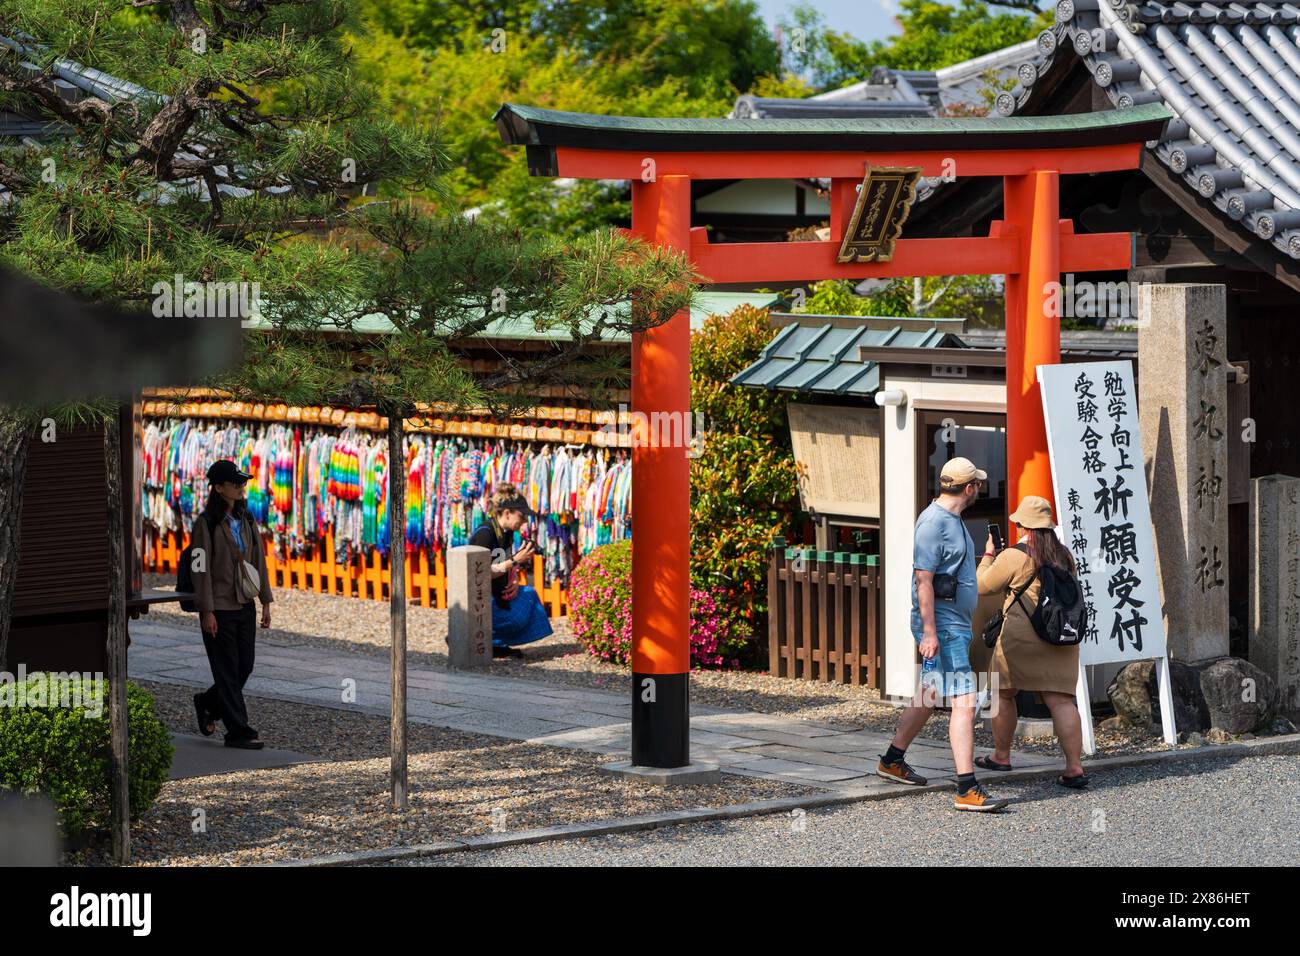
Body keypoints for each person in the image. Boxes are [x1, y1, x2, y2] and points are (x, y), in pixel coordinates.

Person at [877, 457, 1008, 812]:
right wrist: (930, 632)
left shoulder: (949, 519)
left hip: (949, 623)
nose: (979, 488)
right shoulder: (935, 523)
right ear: (969, 489)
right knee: (964, 702)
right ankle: (966, 787)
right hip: (944, 627)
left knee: (929, 693)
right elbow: (924, 580)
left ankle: (892, 759)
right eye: (978, 484)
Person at [972, 495, 1088, 788]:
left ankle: (1001, 755)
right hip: (1060, 637)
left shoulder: (1015, 555)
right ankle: (1074, 767)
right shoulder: (1064, 556)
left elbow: (983, 585)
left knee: (1003, 694)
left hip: (1021, 639)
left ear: (1023, 526)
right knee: (1061, 701)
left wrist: (988, 555)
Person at [189, 459, 274, 750]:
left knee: (244, 666)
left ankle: (208, 703)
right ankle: (239, 731)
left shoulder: (247, 518)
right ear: (218, 488)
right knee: (226, 669)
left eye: (243, 483)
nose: (241, 487)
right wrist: (206, 610)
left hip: (244, 604)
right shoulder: (206, 523)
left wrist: (265, 601)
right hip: (220, 607)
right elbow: (199, 569)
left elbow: (258, 561)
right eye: (235, 483)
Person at [468, 482, 553, 658]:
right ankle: (472, 634)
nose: (524, 522)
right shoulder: (485, 533)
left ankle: (496, 643)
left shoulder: (506, 533)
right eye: (521, 516)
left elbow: (503, 561)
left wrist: (513, 578)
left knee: (530, 595)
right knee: (518, 616)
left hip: (497, 592)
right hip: (481, 599)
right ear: (507, 513)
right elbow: (478, 573)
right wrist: (514, 561)